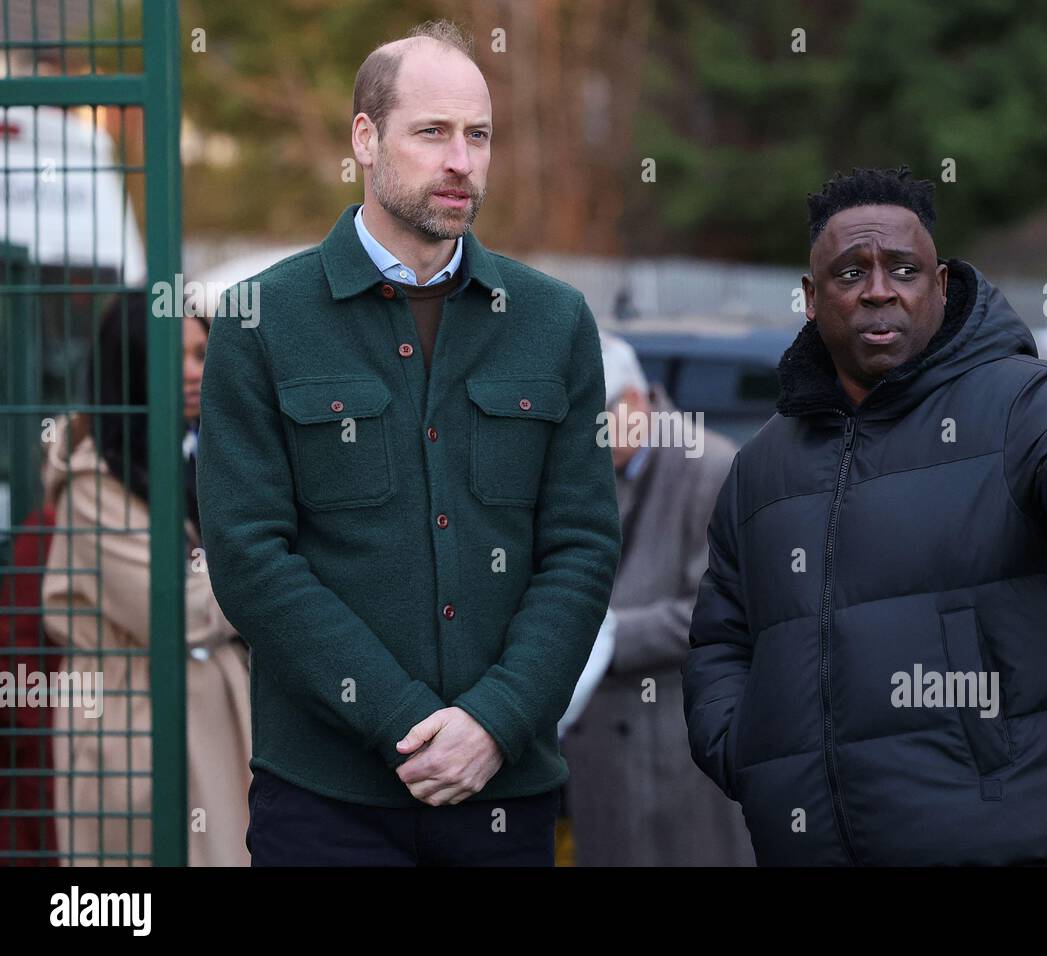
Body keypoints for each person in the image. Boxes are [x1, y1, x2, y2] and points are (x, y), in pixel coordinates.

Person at [196, 19, 621, 866]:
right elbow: (249, 556)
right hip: (326, 800)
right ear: (365, 137)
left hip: (503, 796)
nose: (461, 159)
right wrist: (402, 722)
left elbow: (580, 548)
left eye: (479, 135)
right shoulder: (261, 322)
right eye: (432, 132)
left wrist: (495, 721)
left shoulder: (555, 322)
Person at [683, 166, 1047, 866]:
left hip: (1001, 846)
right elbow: (721, 639)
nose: (880, 290)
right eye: (850, 272)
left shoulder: (1022, 404)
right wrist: (746, 748)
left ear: (942, 286)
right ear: (810, 298)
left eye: (903, 269)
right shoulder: (763, 464)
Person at [41, 294, 252, 866]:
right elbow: (176, 611)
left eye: (201, 352)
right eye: (172, 355)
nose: (194, 370)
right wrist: (271, 569)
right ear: (128, 362)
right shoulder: (92, 479)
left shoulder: (209, 451)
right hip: (132, 722)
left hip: (215, 713)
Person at [561, 334, 754, 866]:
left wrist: (605, 635)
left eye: (598, 418)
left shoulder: (710, 466)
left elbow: (725, 609)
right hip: (599, 745)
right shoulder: (576, 472)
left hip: (679, 741)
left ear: (637, 401)